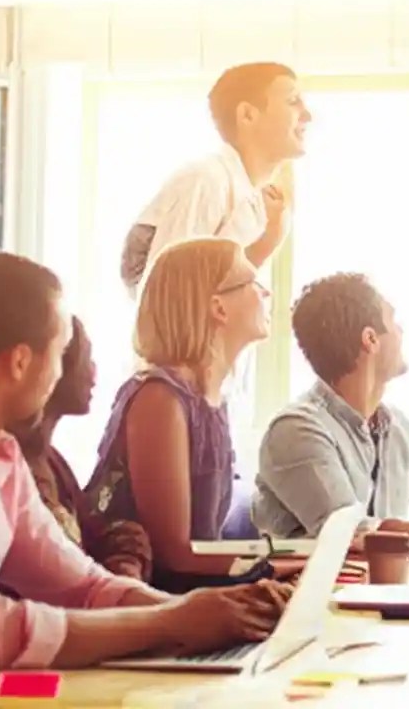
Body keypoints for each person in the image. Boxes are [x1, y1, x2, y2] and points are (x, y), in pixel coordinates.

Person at [0, 252, 290, 688]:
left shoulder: (1, 454)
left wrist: (210, 612)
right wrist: (173, 620)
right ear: (20, 362)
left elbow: (85, 587)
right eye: (61, 351)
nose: (62, 370)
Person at [86, 238, 301, 591]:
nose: (266, 292)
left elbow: (205, 549)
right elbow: (174, 558)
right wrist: (278, 568)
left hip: (192, 597)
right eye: (253, 282)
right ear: (218, 307)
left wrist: (304, 558)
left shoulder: (212, 400)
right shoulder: (160, 399)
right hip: (152, 604)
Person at [251, 273, 409, 558]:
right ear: (370, 339)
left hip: (381, 583)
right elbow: (355, 536)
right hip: (309, 586)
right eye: (393, 321)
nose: (401, 330)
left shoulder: (397, 428)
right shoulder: (297, 430)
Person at [119, 61, 311, 294]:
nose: (308, 116)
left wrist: (270, 239)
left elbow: (217, 288)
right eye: (293, 101)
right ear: (248, 115)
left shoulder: (256, 205)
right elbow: (168, 294)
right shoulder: (207, 180)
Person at [7, 316, 152, 580]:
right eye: (86, 359)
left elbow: (105, 531)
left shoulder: (51, 460)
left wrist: (124, 568)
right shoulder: (10, 466)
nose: (93, 373)